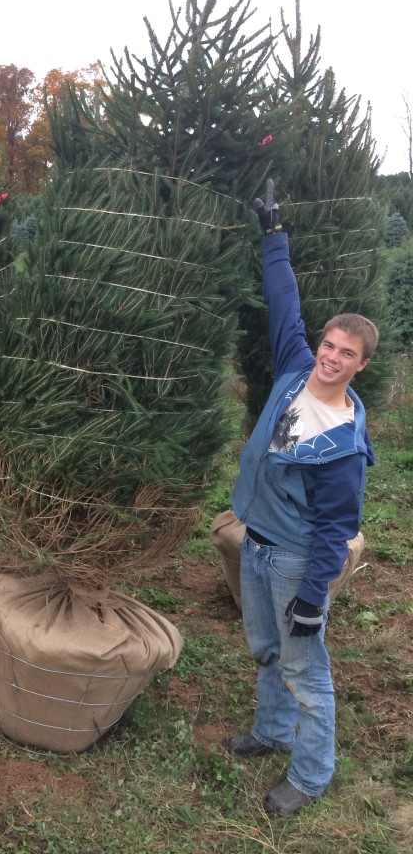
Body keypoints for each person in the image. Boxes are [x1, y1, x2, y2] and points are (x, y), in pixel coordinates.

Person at [227, 180, 378, 816]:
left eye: (347, 354)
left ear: (360, 365)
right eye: (329, 346)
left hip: (294, 559)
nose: (332, 358)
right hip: (255, 543)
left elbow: (336, 529)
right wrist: (273, 236)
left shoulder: (342, 444)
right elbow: (283, 304)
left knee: (306, 672)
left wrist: (313, 599)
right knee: (266, 652)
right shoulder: (295, 370)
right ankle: (270, 733)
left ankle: (310, 776)